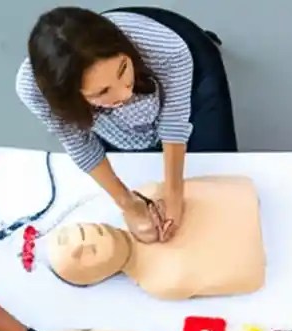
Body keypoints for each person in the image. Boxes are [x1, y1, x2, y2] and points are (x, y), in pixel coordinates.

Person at [17, 6, 239, 243]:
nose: (125, 92)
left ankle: (204, 40)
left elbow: (174, 121)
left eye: (124, 69)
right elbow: (79, 143)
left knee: (216, 162)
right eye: (102, 91)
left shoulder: (168, 50)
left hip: (177, 52)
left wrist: (174, 194)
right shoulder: (34, 91)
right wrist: (128, 204)